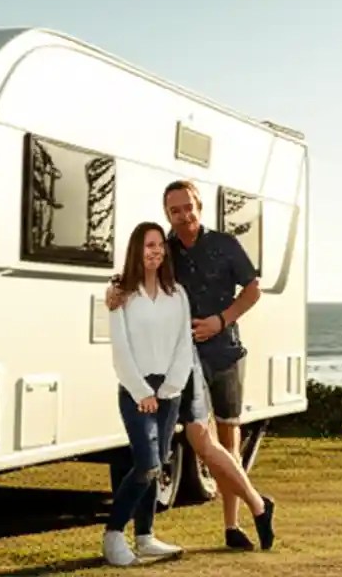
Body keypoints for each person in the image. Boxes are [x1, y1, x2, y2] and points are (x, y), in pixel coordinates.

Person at [106, 179, 276, 551]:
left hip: (226, 352)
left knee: (228, 441)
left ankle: (233, 525)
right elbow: (136, 271)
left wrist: (221, 319)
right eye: (174, 210)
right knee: (201, 441)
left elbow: (253, 289)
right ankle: (255, 508)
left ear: (199, 207)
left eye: (188, 208)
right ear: (167, 213)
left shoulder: (225, 245)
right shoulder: (165, 250)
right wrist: (114, 290)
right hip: (186, 359)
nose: (183, 216)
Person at [102, 220, 197, 566]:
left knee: (157, 467)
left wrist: (172, 387)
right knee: (146, 462)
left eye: (159, 245)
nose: (155, 251)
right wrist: (141, 390)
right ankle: (113, 536)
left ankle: (145, 537)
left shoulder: (178, 294)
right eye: (148, 245)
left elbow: (183, 345)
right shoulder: (120, 292)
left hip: (169, 390)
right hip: (135, 388)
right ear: (136, 251)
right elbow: (120, 347)